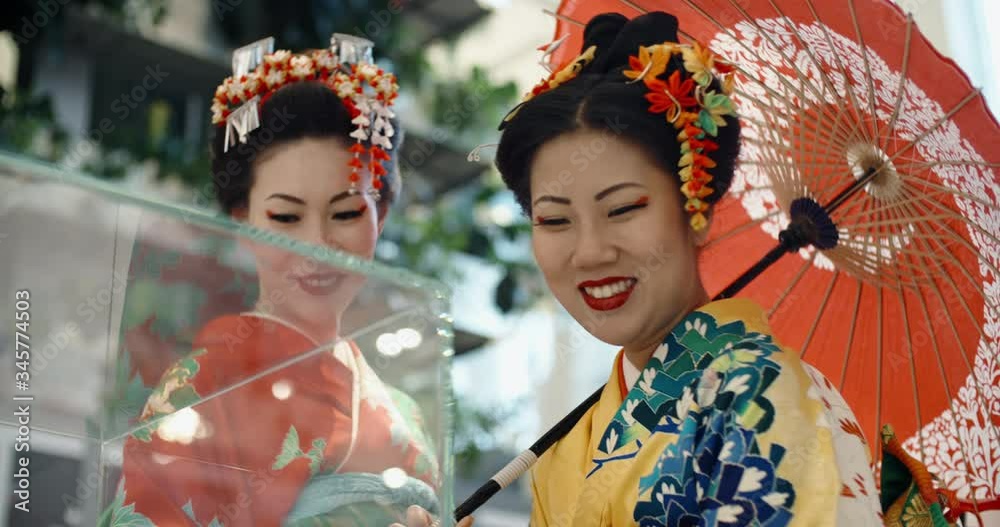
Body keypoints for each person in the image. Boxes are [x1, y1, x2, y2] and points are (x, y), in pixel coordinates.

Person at [493, 12, 882, 525]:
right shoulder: (568, 445)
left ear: (694, 210)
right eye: (554, 219)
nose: (589, 252)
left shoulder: (755, 392)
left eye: (624, 208)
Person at [98, 36, 469, 527]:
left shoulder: (405, 410)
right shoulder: (205, 385)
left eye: (345, 212)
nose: (317, 245)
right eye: (286, 217)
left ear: (380, 213)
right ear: (241, 221)